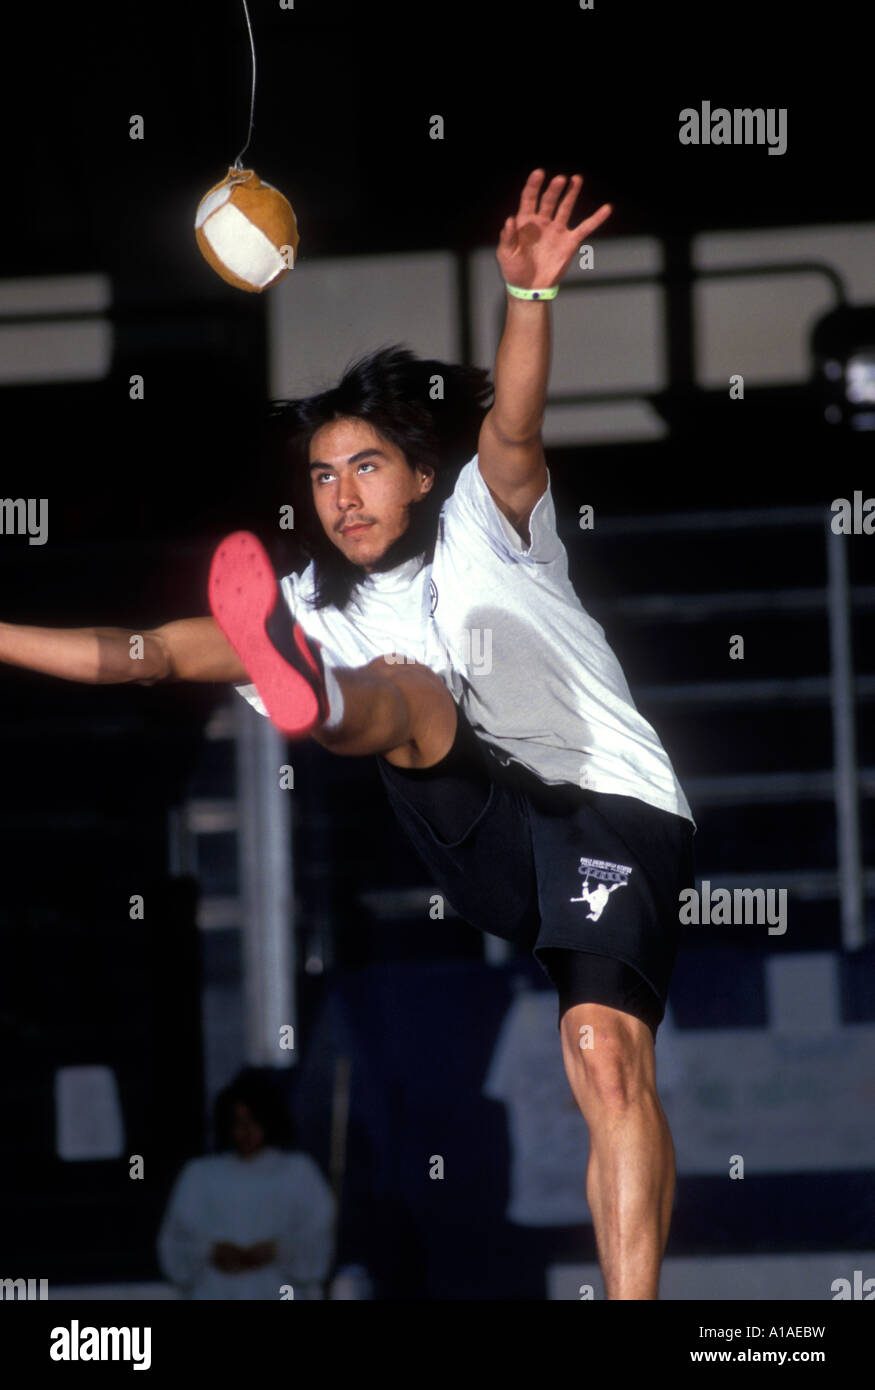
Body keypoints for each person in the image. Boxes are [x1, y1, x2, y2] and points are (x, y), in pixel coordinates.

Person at [0, 169, 695, 1299]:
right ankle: (314, 698)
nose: (341, 495)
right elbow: (138, 651)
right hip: (472, 832)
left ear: (421, 474)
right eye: (321, 476)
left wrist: (528, 299)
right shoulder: (314, 602)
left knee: (604, 1058)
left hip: (607, 808)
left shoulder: (487, 518)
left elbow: (512, 423)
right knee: (400, 685)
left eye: (365, 465)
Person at [157, 1070, 336, 1299]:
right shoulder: (200, 1175)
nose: (246, 1132)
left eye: (254, 1121)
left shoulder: (298, 1172)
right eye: (238, 1122)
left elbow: (318, 1236)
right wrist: (210, 1251)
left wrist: (276, 1251)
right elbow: (175, 1240)